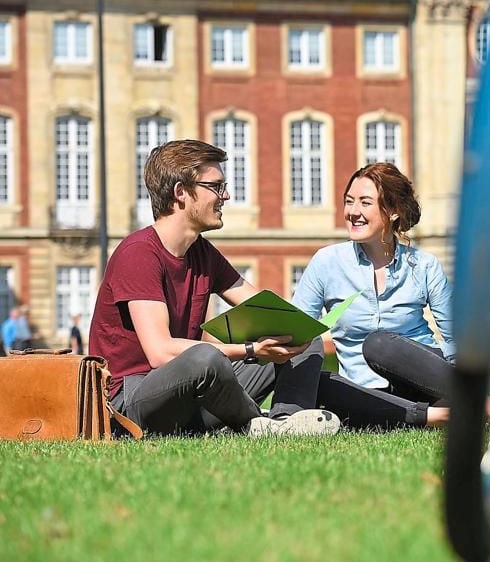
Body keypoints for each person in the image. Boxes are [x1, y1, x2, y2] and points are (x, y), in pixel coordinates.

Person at [89, 139, 341, 437]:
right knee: (205, 358)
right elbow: (160, 352)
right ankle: (252, 424)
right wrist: (249, 349)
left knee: (303, 339)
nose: (226, 195)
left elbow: (265, 308)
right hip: (130, 401)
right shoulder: (139, 253)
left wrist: (299, 329)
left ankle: (285, 422)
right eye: (216, 187)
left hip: (188, 391)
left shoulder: (202, 253)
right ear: (181, 193)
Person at [292, 162, 490, 429]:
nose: (353, 212)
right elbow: (298, 331)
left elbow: (454, 339)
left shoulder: (424, 265)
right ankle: (438, 416)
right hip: (366, 393)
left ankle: (484, 405)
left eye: (365, 203)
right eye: (349, 202)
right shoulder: (327, 262)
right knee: (321, 385)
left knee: (379, 344)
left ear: (392, 212)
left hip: (425, 384)